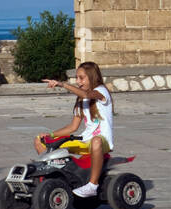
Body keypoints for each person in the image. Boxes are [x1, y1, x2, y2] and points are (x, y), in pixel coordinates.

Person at [36, 62, 115, 199]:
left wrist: (62, 84)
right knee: (40, 141)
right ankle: (56, 177)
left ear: (92, 76)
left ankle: (92, 185)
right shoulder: (81, 100)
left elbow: (86, 95)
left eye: (81, 78)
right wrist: (50, 135)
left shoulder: (101, 92)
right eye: (76, 78)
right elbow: (73, 127)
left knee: (96, 141)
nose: (78, 81)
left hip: (102, 142)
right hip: (84, 141)